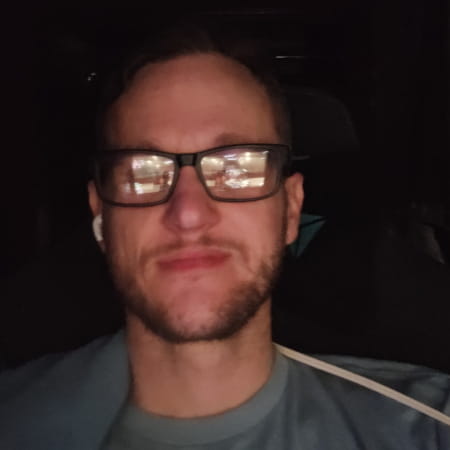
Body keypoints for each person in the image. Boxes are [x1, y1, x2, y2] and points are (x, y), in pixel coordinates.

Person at [0, 23, 449, 450]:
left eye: (239, 167)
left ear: (290, 210)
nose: (188, 213)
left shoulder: (426, 429)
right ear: (102, 217)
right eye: (142, 172)